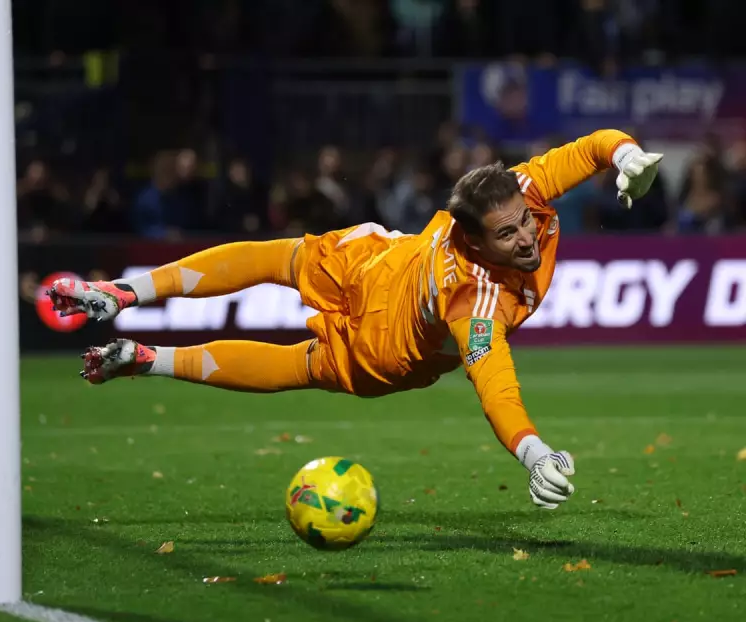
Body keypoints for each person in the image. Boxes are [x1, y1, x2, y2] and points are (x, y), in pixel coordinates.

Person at [49, 130, 662, 511]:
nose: (526, 237)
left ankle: (146, 353)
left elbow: (591, 148)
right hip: (381, 305)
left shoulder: (521, 189)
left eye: (525, 221)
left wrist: (628, 155)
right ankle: (125, 294)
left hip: (383, 304)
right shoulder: (471, 297)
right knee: (283, 290)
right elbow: (494, 381)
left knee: (287, 326)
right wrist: (532, 454)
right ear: (472, 241)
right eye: (506, 234)